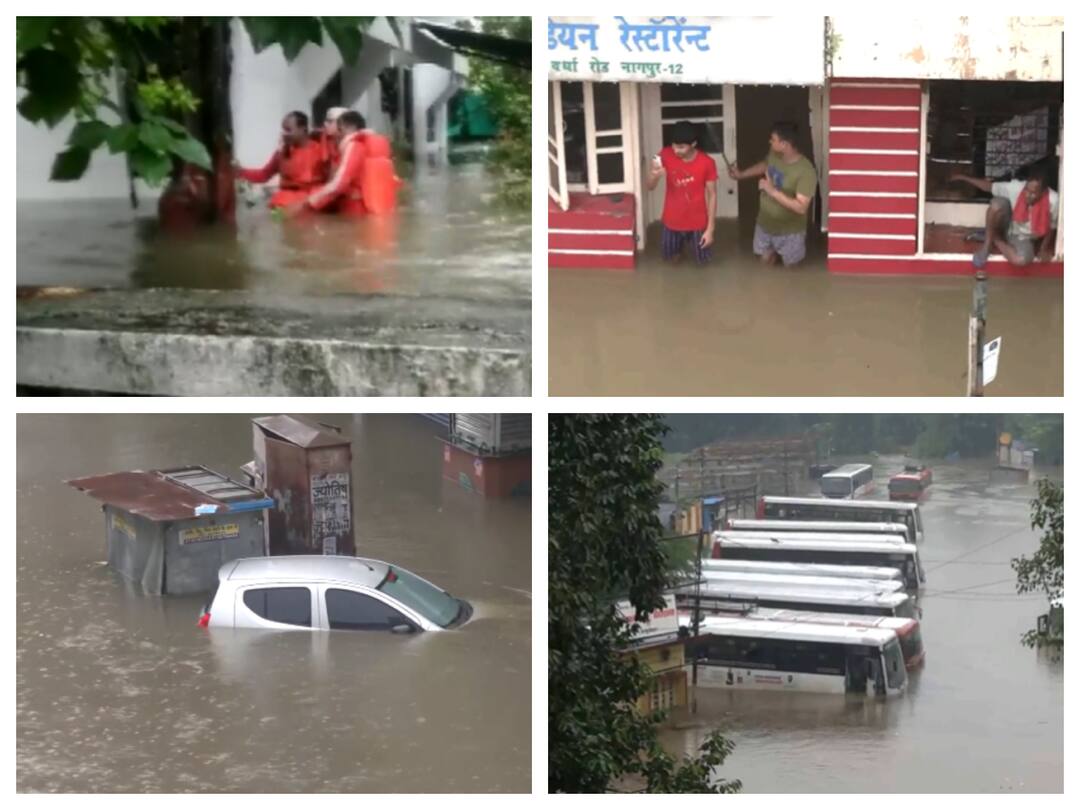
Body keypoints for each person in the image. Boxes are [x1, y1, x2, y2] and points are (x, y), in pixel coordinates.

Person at [729, 121, 817, 267]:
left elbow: (801, 207)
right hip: (764, 224)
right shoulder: (774, 153)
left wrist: (772, 191)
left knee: (791, 272)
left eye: (773, 139)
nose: (770, 142)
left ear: (784, 144)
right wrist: (741, 174)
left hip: (791, 232)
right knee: (764, 267)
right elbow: (766, 164)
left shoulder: (806, 171)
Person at [950, 166, 1059, 267]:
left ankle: (996, 239)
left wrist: (1043, 248)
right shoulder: (1016, 187)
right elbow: (989, 187)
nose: (1027, 195)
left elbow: (1052, 226)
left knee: (1020, 260)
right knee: (996, 204)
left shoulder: (1054, 200)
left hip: (1024, 237)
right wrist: (963, 177)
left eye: (1033, 193)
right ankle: (987, 246)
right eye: (1027, 190)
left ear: (1043, 192)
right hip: (1009, 225)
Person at [646, 120, 717, 264]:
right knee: (672, 261)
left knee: (703, 263)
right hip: (671, 221)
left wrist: (710, 229)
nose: (676, 150)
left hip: (698, 223)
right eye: (673, 145)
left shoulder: (707, 162)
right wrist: (653, 175)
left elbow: (712, 195)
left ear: (694, 144)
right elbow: (649, 187)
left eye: (681, 147)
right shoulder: (664, 155)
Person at [235, 111, 326, 209]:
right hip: (282, 205)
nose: (284, 133)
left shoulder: (321, 151)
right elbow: (263, 175)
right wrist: (240, 172)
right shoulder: (281, 153)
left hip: (309, 206)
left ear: (303, 129)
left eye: (288, 129)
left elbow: (333, 184)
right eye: (283, 129)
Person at [289, 111, 369, 217]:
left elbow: (339, 184)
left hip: (356, 211)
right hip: (355, 209)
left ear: (351, 127)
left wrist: (307, 203)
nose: (339, 133)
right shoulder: (355, 145)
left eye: (340, 129)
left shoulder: (354, 146)